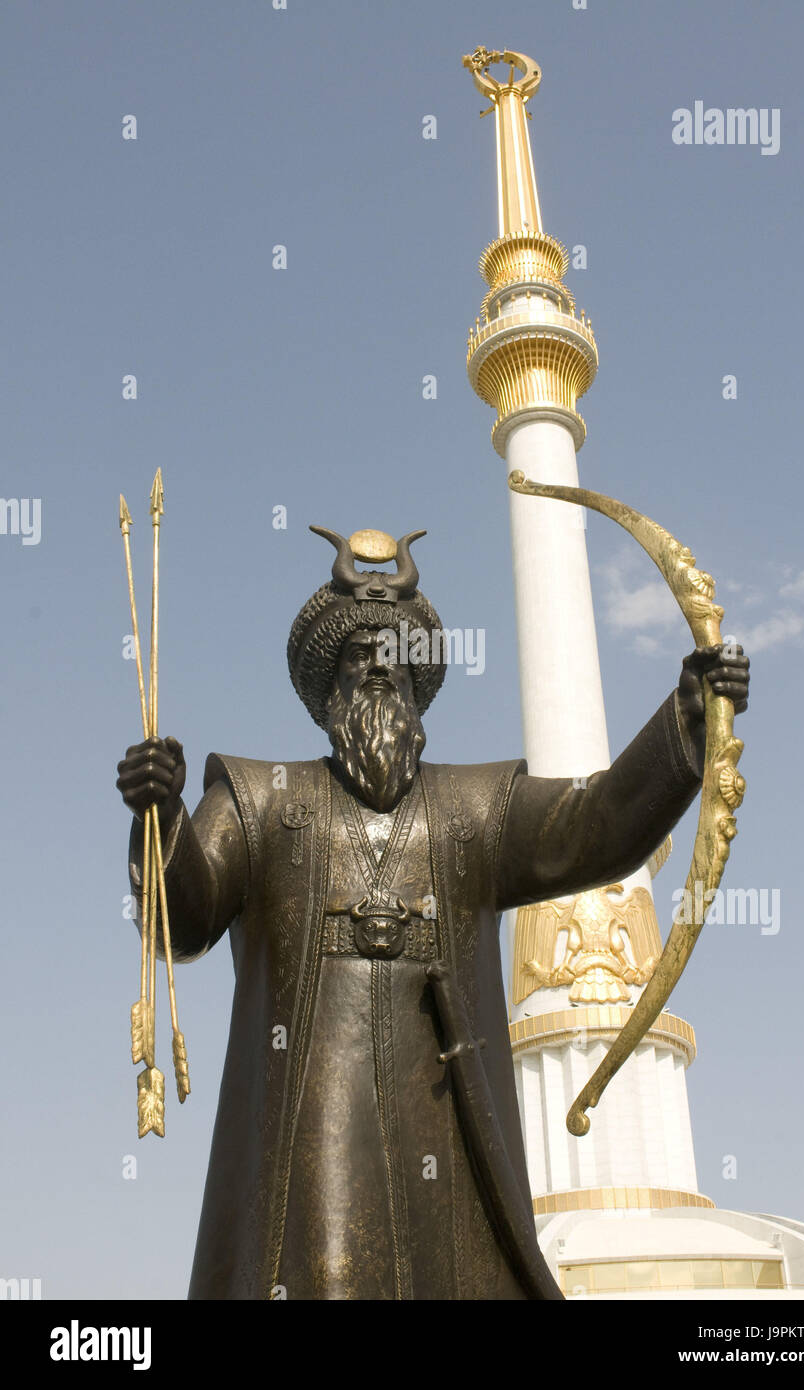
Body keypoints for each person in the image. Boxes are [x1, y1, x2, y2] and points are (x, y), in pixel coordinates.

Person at [116, 527, 750, 1300]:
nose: (380, 667)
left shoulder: (476, 807)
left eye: (396, 657)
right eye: (360, 656)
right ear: (327, 688)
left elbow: (599, 824)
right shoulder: (258, 799)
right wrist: (162, 815)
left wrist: (688, 713)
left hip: (448, 1109)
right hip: (312, 1123)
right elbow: (181, 921)